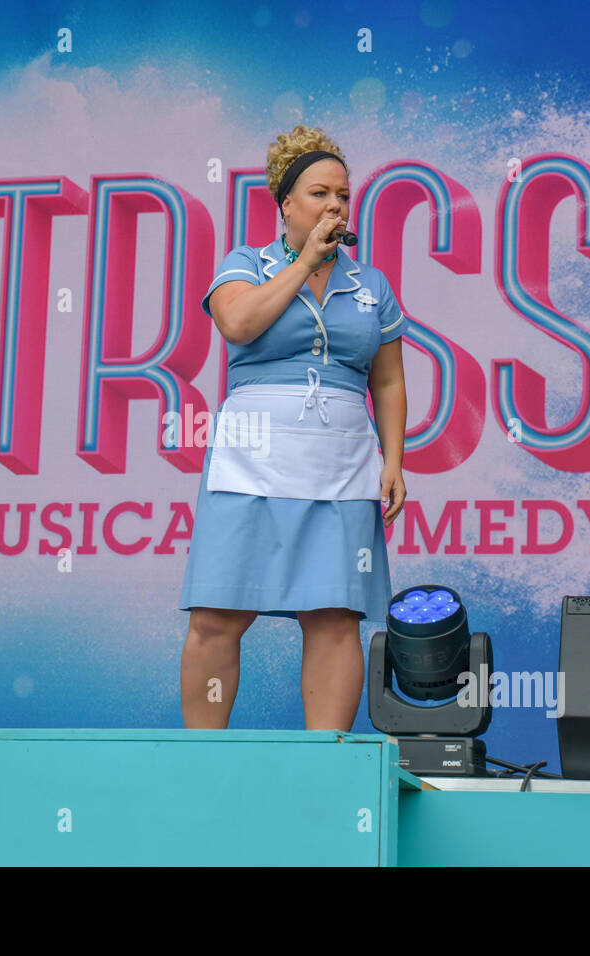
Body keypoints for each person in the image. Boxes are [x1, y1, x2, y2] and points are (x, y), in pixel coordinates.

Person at [178, 125, 408, 732]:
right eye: (318, 194)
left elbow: (386, 381)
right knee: (218, 613)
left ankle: (325, 763)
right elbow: (238, 326)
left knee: (334, 617)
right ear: (285, 203)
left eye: (342, 195)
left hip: (341, 459)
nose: (335, 205)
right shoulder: (244, 264)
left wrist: (393, 461)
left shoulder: (371, 286)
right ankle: (200, 757)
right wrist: (305, 260)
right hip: (251, 456)